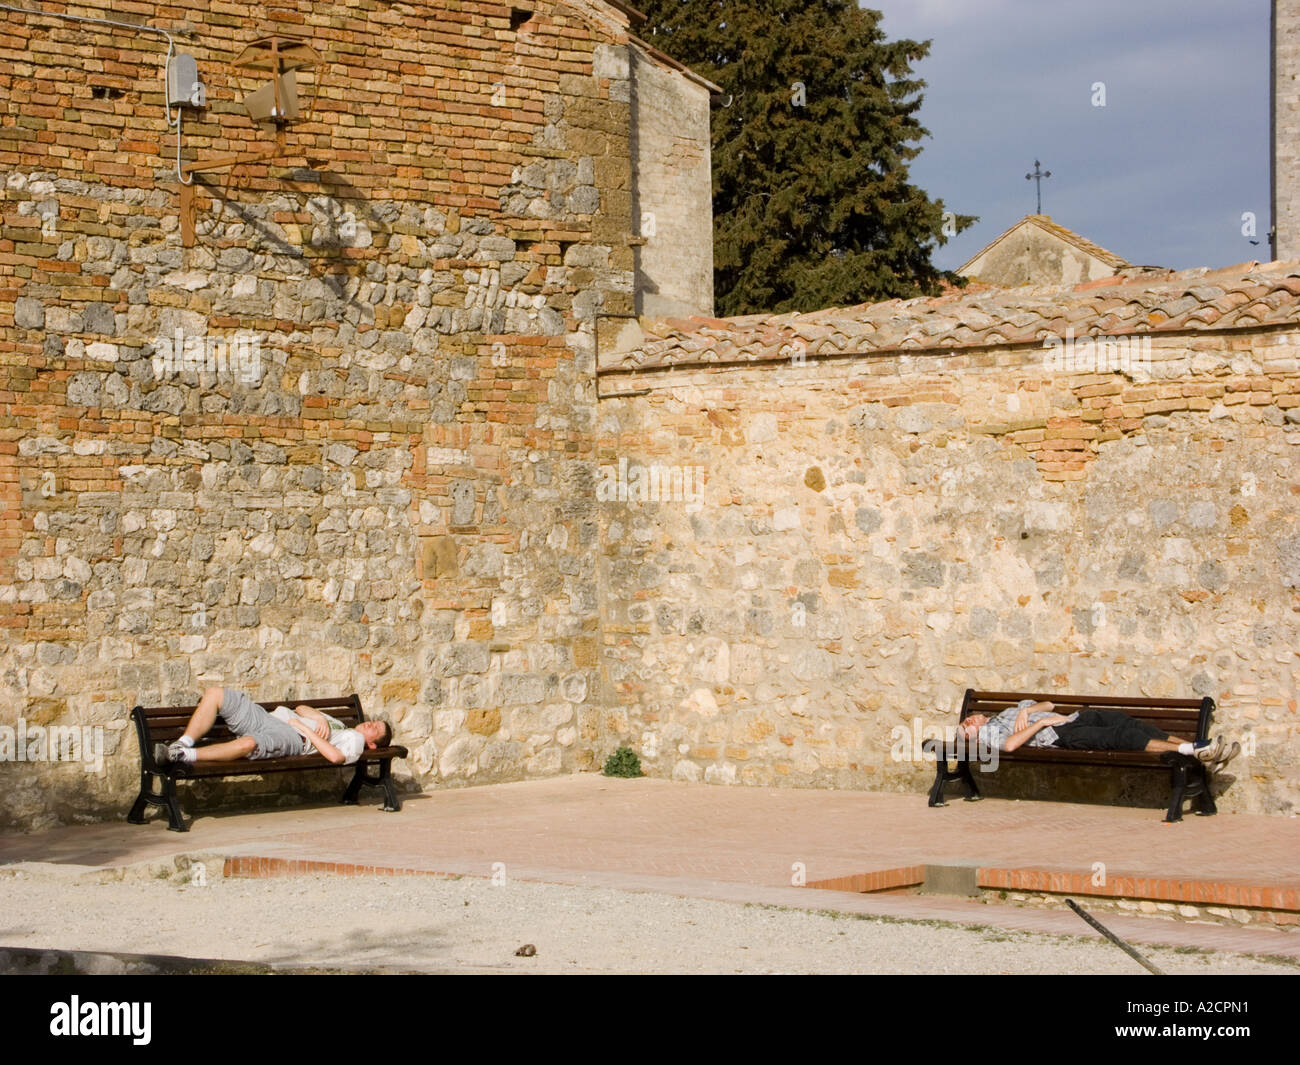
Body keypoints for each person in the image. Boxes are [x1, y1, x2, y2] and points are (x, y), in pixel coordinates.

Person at [958, 699, 1240, 770]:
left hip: (1076, 717)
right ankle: (1193, 751)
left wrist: (1027, 711)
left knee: (1130, 723)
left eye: (967, 719)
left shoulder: (1006, 713)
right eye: (965, 727)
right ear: (973, 736)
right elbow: (1010, 746)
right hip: (1062, 735)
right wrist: (1039, 725)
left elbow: (1050, 706)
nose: (968, 720)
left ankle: (1197, 747)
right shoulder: (989, 735)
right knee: (1122, 737)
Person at [154, 686, 390, 767]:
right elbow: (300, 708)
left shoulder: (355, 741)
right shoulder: (339, 724)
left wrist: (306, 730)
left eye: (375, 729)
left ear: (371, 744)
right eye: (374, 721)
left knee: (249, 744)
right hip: (271, 718)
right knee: (217, 694)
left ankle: (182, 755)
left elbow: (336, 757)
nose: (370, 723)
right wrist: (318, 718)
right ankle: (182, 743)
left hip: (293, 739)